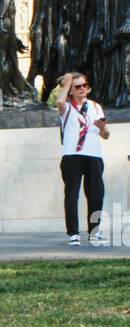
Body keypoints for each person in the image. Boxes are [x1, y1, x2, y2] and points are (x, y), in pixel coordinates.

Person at [55, 72, 109, 247]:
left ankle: (94, 232)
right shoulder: (67, 107)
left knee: (96, 195)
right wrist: (68, 80)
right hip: (72, 156)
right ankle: (73, 233)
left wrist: (102, 128)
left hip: (93, 155)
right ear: (70, 90)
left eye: (84, 85)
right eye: (77, 86)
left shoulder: (95, 106)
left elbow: (106, 135)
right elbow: (59, 102)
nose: (82, 89)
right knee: (72, 194)